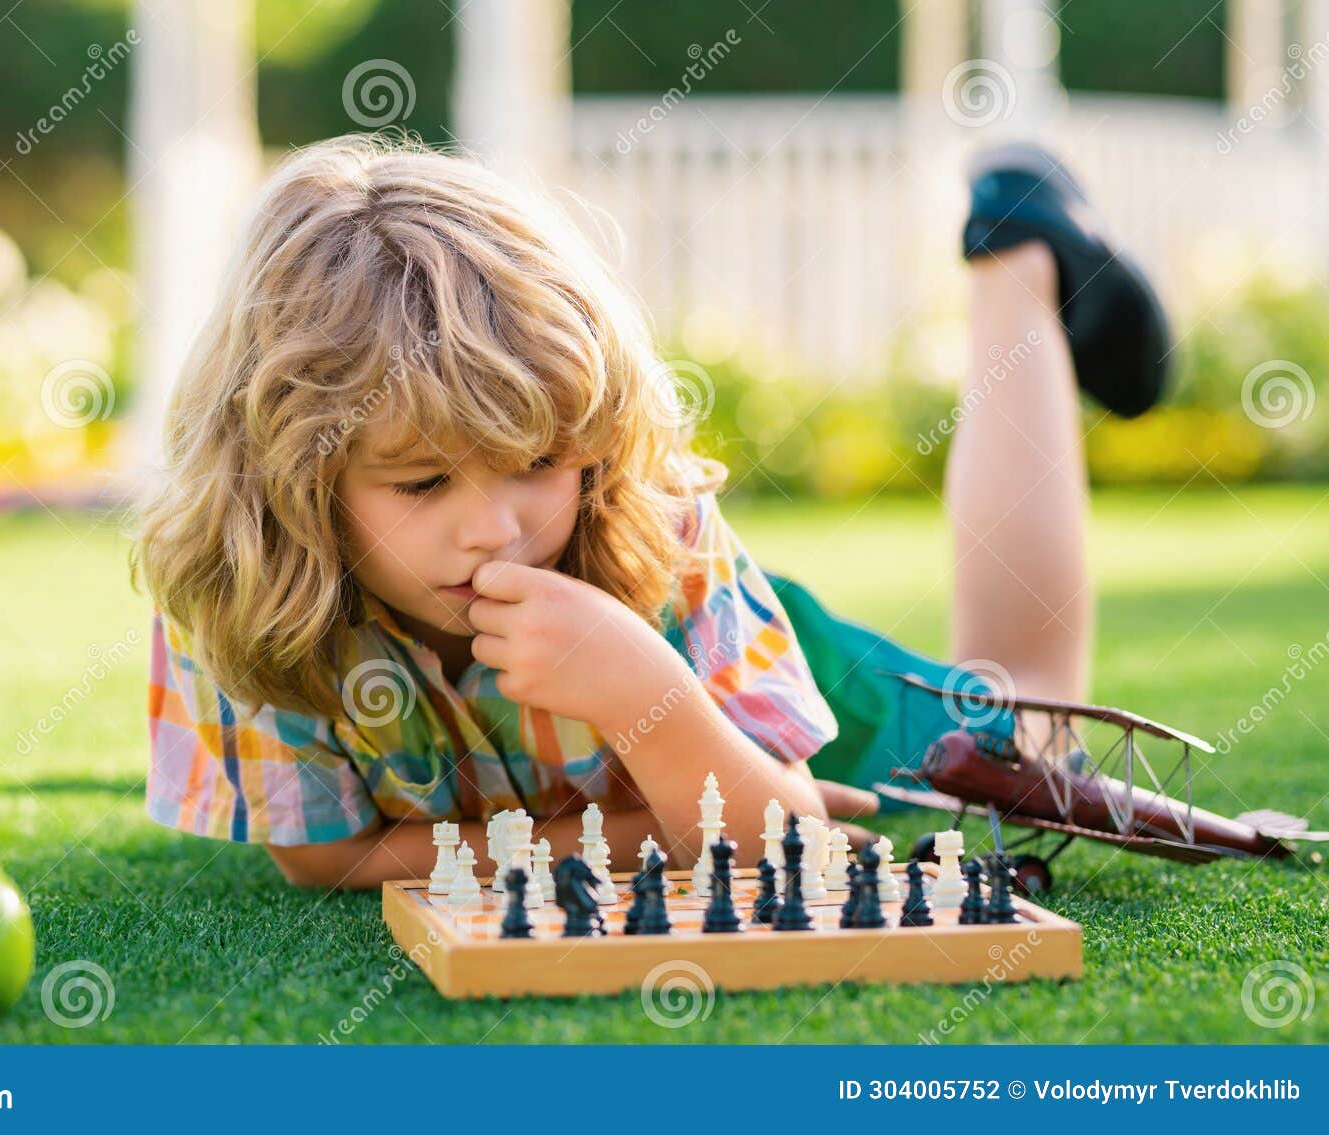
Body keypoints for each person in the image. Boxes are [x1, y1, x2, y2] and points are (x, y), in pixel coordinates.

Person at [132, 134, 1170, 890]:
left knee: (1027, 714)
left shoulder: (652, 531)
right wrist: (642, 830)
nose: (493, 529)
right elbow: (329, 859)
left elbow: (786, 843)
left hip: (767, 698)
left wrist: (648, 696)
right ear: (295, 478)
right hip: (682, 772)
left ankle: (1016, 251)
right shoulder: (242, 580)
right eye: (420, 484)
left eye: (537, 461)